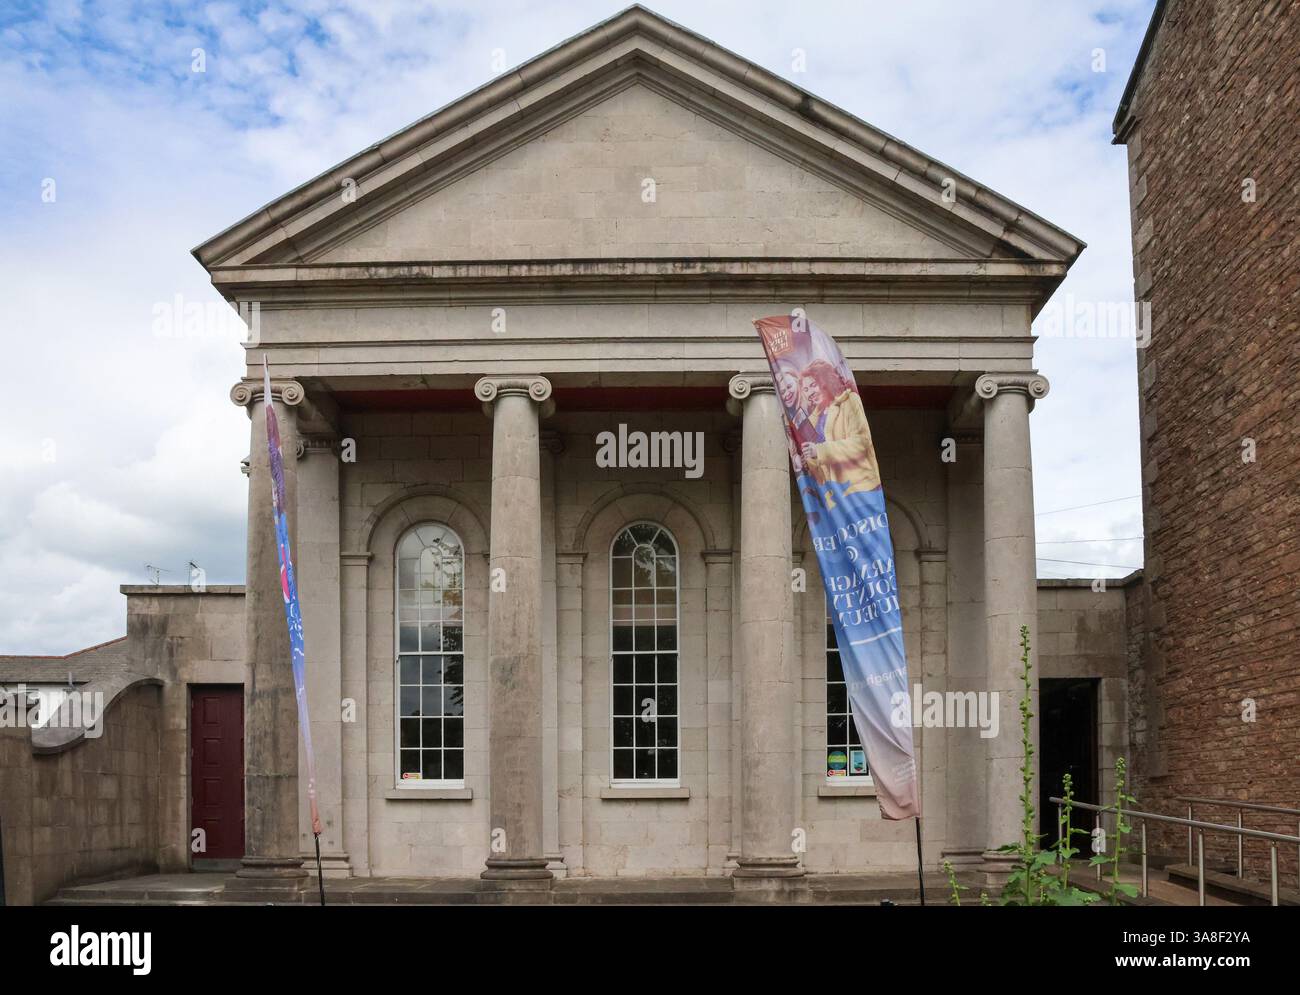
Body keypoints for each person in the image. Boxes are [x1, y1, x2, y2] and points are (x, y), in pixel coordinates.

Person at [797, 360, 881, 504]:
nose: (810, 393)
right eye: (805, 390)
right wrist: (809, 461)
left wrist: (819, 451)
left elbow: (861, 443)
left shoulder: (849, 401)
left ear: (825, 381)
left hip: (859, 490)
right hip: (833, 498)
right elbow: (823, 468)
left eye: (813, 385)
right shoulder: (814, 419)